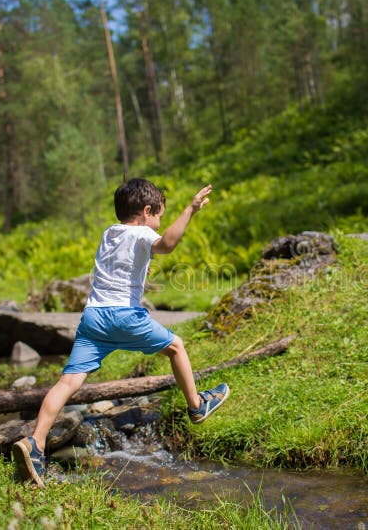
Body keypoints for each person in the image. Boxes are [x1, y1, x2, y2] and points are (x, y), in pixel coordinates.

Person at [12, 178, 229, 487]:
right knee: (176, 347)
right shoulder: (143, 232)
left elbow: (123, 263)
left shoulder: (109, 233)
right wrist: (191, 209)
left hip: (93, 318)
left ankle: (36, 442)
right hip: (123, 316)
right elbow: (166, 244)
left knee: (69, 381)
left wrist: (144, 265)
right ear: (146, 211)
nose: (159, 224)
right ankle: (196, 406)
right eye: (159, 217)